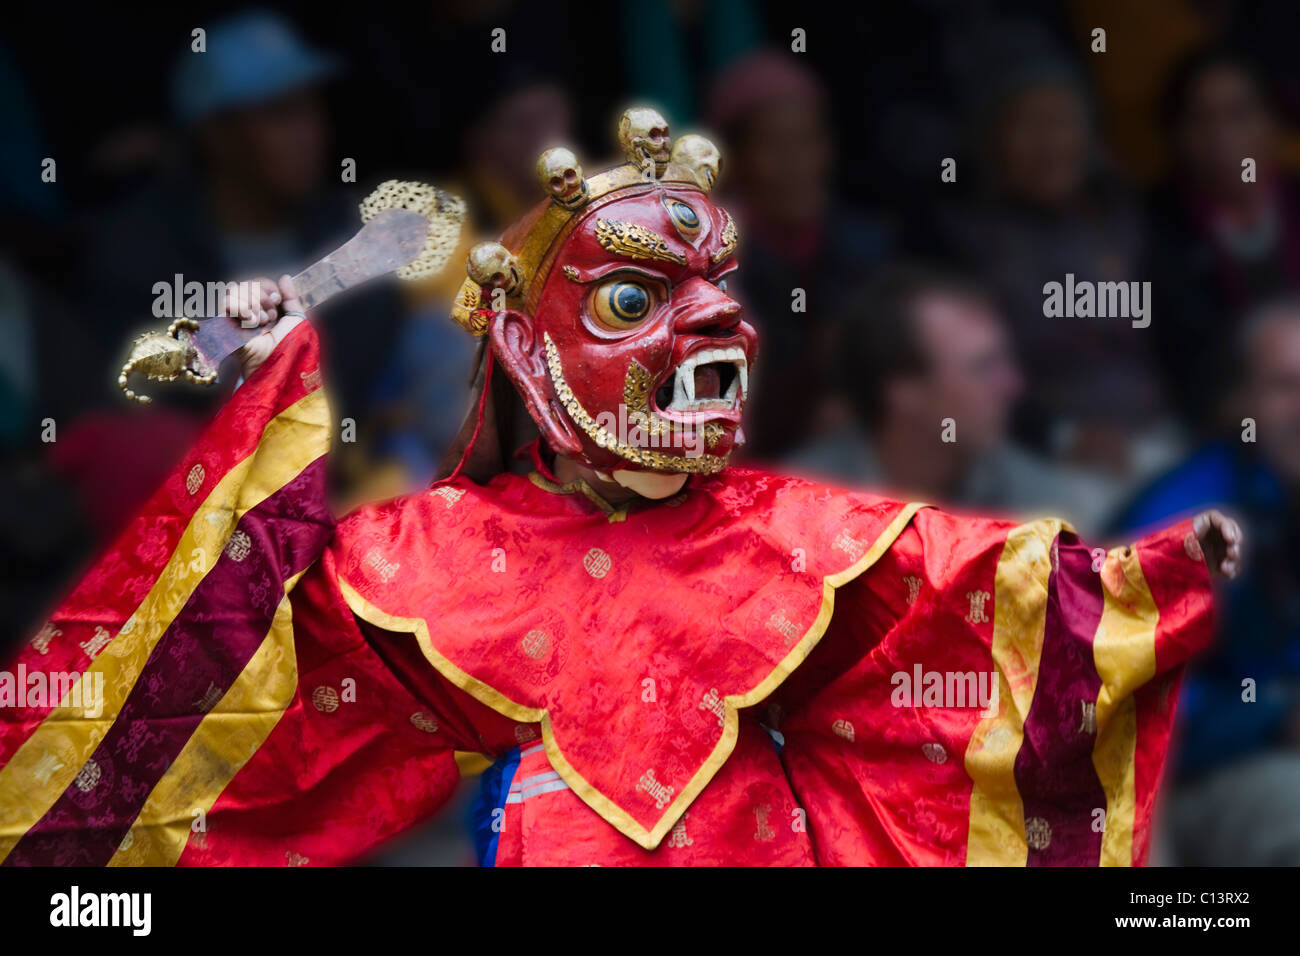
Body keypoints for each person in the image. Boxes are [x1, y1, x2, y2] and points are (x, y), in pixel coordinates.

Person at [0, 109, 1240, 867]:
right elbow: (234, 676)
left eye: (716, 288)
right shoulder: (422, 561)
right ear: (527, 349)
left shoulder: (787, 533)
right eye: (637, 298)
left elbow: (983, 590)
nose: (712, 323)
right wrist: (244, 385)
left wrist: (1154, 574)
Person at [1111, 297, 1300, 864]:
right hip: (1174, 784)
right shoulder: (1192, 518)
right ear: (1237, 404)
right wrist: (1270, 716)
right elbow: (1117, 702)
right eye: (1285, 386)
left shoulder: (1285, 487)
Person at [785, 265, 1121, 536]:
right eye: (982, 367)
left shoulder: (1041, 504)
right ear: (903, 392)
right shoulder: (797, 513)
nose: (1014, 385)